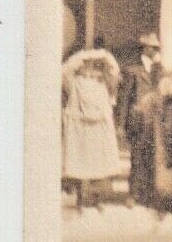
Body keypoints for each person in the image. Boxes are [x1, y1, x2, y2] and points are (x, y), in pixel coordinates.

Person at [61, 44, 122, 209]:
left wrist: (104, 55)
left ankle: (96, 200)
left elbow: (114, 70)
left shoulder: (104, 84)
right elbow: (65, 70)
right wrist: (82, 56)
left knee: (98, 164)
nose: (89, 70)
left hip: (97, 131)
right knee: (80, 164)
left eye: (93, 66)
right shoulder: (73, 83)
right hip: (80, 130)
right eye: (86, 66)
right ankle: (80, 198)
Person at [119, 33, 165, 208]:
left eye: (156, 48)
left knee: (152, 158)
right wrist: (122, 124)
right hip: (137, 119)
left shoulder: (158, 70)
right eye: (152, 48)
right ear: (145, 49)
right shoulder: (133, 70)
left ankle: (149, 194)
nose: (155, 51)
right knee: (137, 158)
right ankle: (133, 194)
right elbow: (124, 99)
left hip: (154, 120)